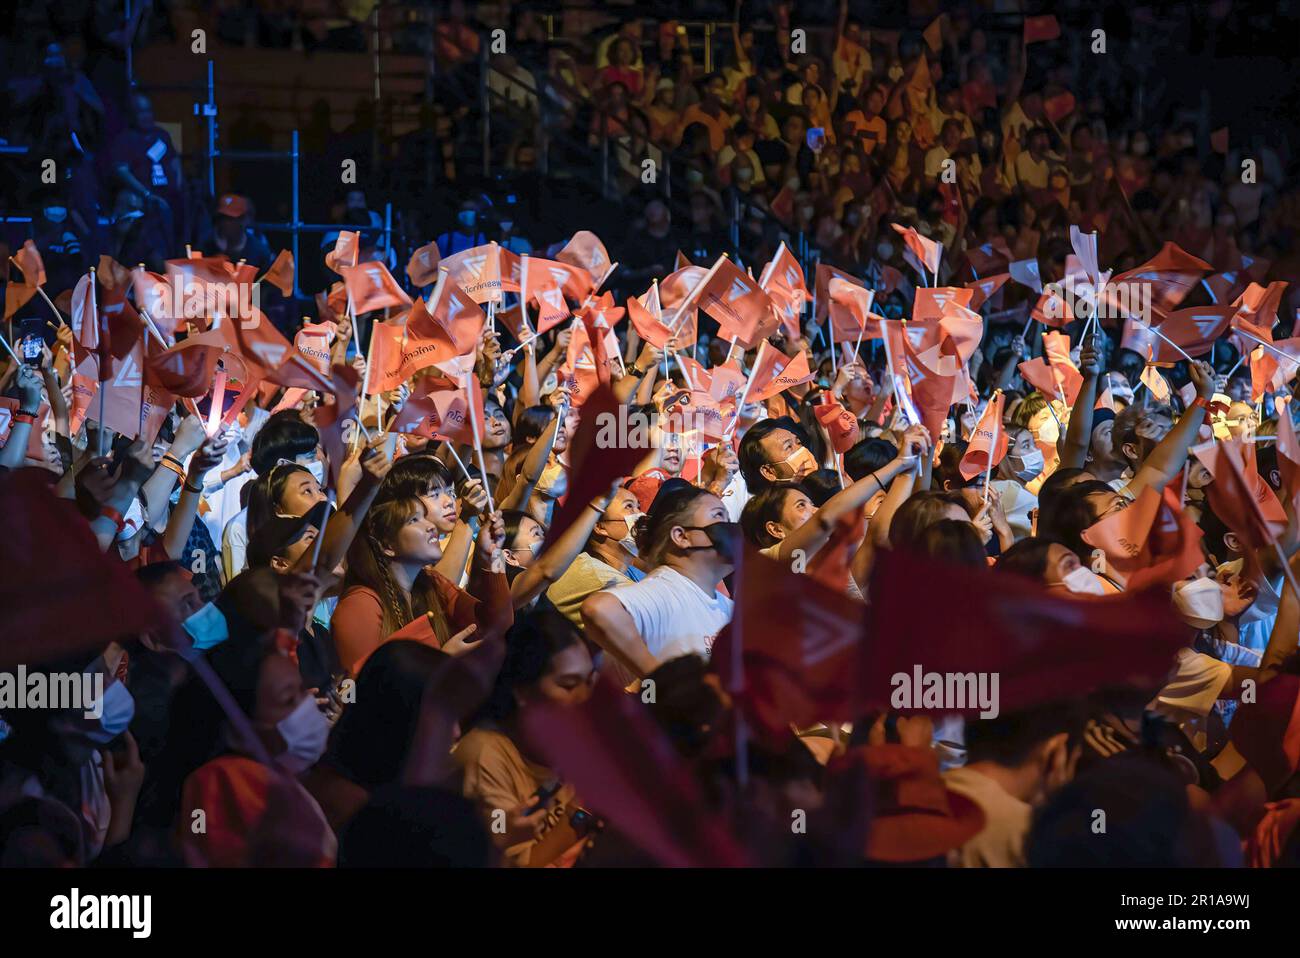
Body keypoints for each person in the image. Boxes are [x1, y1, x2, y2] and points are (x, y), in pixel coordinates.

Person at [454, 609, 597, 867]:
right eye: (568, 685)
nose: (585, 699)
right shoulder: (484, 755)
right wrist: (585, 806)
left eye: (589, 682)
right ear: (522, 691)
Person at [331, 495, 511, 676]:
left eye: (425, 517)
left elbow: (497, 624)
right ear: (387, 545)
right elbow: (355, 692)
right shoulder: (359, 605)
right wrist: (440, 661)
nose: (431, 526)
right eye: (414, 520)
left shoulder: (431, 584)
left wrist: (493, 556)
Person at [582, 481, 735, 680]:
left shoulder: (729, 608)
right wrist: (663, 681)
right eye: (718, 516)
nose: (731, 528)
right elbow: (599, 609)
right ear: (681, 536)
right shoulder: (666, 590)